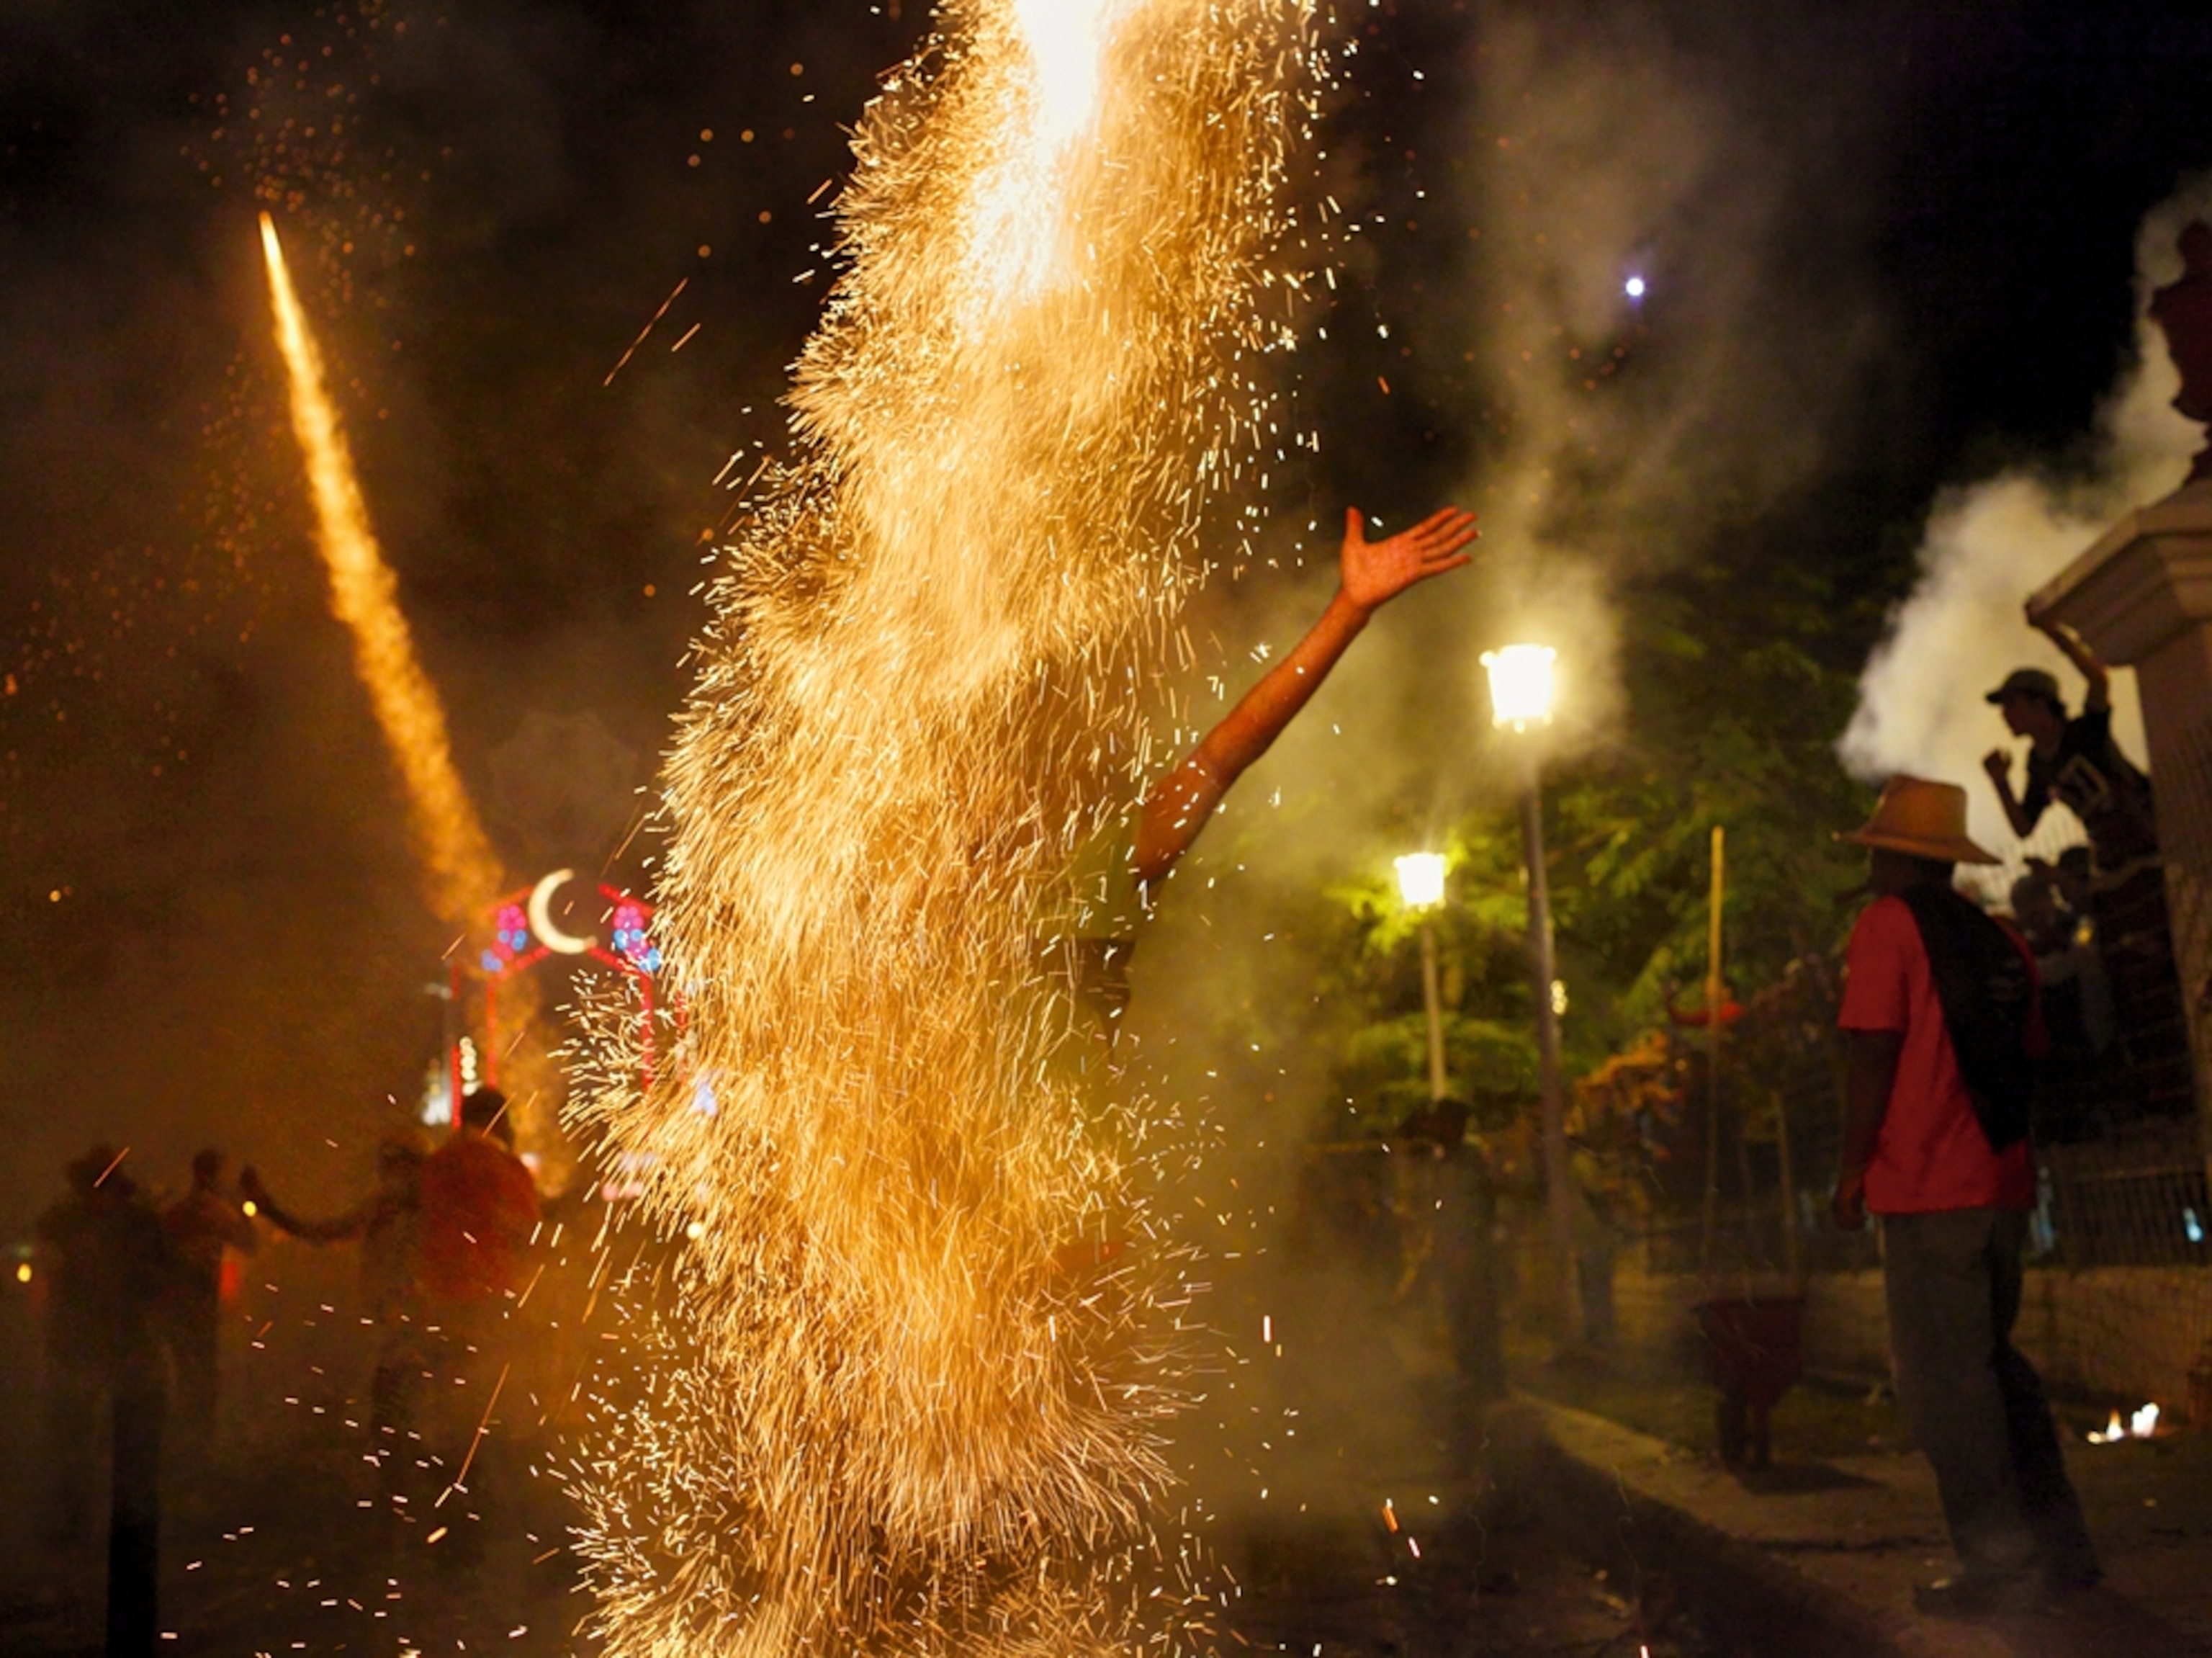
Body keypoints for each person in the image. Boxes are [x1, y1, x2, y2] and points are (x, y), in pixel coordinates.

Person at [1830, 776, 2098, 1614]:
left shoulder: (1885, 928)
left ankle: (1997, 1561)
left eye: (1876, 851)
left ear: (1894, 858)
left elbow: (1872, 1049)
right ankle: (2061, 1545)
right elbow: (2033, 1051)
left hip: (1926, 1188)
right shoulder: (2002, 940)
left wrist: (1850, 1168)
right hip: (2002, 1184)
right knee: (1995, 1367)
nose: (1870, 865)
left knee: (1947, 1385)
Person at [1982, 616, 2190, 1119]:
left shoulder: (2084, 732)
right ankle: (2163, 1084)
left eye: (2010, 703)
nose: (2006, 716)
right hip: (2115, 866)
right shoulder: (2037, 763)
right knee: (2131, 969)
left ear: (2036, 702)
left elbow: (2099, 680)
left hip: (2150, 846)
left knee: (2169, 946)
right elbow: (2026, 827)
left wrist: (2055, 635)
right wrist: (1999, 782)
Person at [242, 1129, 430, 1437]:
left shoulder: (391, 1199)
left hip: (404, 1324)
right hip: (425, 1325)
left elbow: (325, 1232)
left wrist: (271, 1210)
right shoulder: (432, 1205)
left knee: (391, 1423)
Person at [159, 1147, 258, 1429]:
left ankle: (184, 1438)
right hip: (196, 1304)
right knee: (200, 1377)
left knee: (186, 1373)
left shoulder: (177, 1211)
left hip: (177, 1304)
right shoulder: (212, 1211)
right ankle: (194, 1443)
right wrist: (242, 1204)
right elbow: (249, 1244)